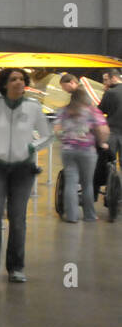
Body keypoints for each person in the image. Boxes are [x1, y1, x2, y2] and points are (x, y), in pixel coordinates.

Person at [0, 68, 50, 283]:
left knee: (17, 218)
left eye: (21, 79)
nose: (18, 82)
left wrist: (31, 148)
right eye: (13, 79)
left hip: (23, 169)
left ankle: (16, 267)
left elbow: (47, 136)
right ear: (5, 83)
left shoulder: (33, 107)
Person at [54, 85, 107, 223]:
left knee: (71, 182)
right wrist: (102, 143)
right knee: (87, 183)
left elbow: (57, 130)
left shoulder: (64, 110)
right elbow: (102, 130)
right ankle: (89, 215)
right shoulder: (92, 111)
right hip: (87, 150)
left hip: (68, 150)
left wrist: (66, 140)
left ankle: (72, 216)